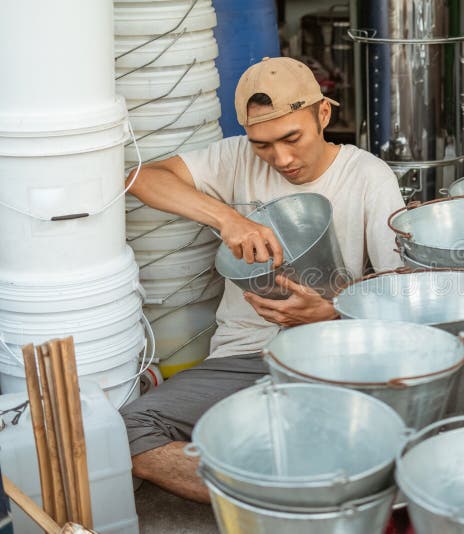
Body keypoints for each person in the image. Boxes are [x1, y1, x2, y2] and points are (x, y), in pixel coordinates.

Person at [120, 57, 405, 503]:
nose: (282, 159)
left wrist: (331, 312)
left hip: (333, 353)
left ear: (323, 115)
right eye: (264, 145)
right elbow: (141, 176)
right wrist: (228, 218)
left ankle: (279, 487)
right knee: (127, 431)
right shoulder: (232, 156)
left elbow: (399, 291)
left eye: (293, 138)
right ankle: (282, 503)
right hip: (246, 356)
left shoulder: (367, 175)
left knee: (374, 433)